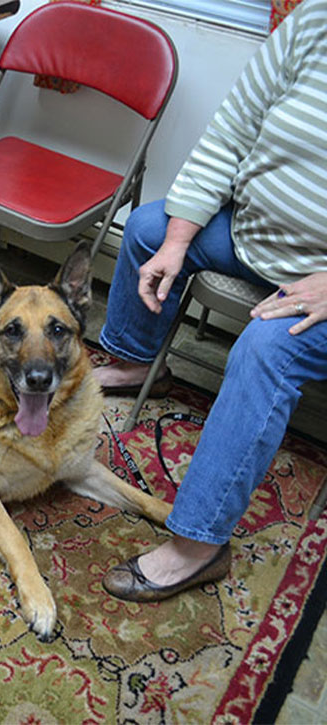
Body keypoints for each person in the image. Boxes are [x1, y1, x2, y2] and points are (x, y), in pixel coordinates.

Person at [94, 0, 327, 602]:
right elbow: (232, 130)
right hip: (259, 235)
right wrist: (178, 240)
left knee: (267, 349)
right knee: (148, 228)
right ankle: (137, 361)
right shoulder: (314, 21)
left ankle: (198, 546)